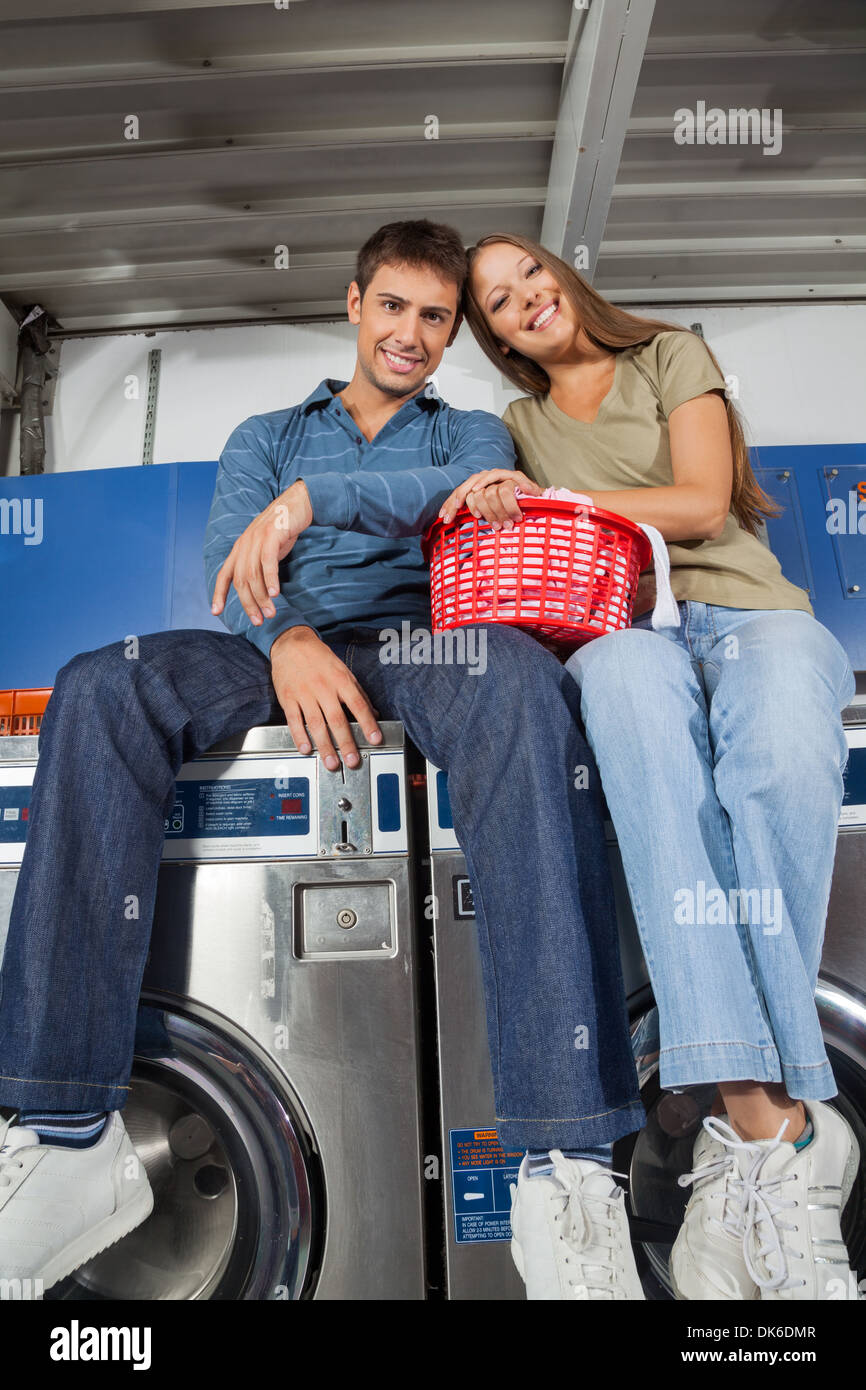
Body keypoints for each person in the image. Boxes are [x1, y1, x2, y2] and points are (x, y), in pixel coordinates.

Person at [0, 220, 647, 1302]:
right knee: (99, 684)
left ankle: (564, 1166)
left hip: (423, 645)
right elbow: (229, 550)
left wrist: (328, 506)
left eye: (434, 317)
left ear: (449, 336)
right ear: (353, 305)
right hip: (275, 650)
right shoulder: (266, 431)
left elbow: (459, 507)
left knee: (520, 680)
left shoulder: (473, 433)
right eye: (391, 306)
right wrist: (286, 639)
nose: (409, 332)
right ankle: (67, 1139)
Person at [437, 231, 861, 1301]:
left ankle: (750, 1136)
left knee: (767, 779)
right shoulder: (518, 426)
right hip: (624, 631)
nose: (523, 298)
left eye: (529, 273)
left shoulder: (671, 354)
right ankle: (782, 1137)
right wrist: (485, 497)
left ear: (562, 275)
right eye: (496, 299)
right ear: (492, 334)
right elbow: (507, 542)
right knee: (655, 783)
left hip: (745, 615)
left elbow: (702, 500)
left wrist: (555, 507)